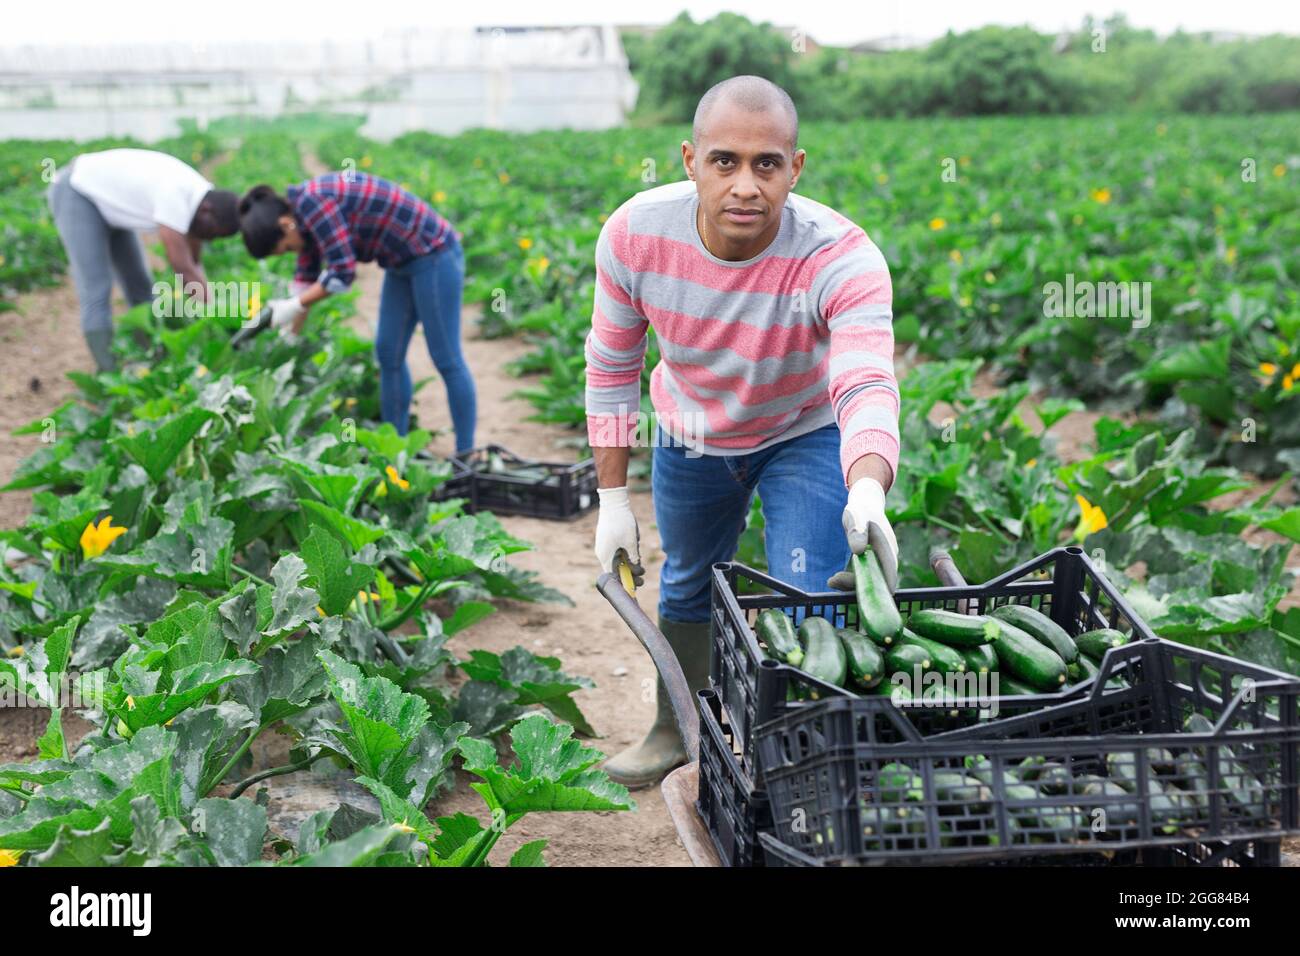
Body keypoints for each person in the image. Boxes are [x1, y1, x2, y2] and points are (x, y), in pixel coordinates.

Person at [586, 76, 901, 788]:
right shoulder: (636, 235)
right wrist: (611, 498)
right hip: (693, 428)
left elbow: (865, 380)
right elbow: (612, 365)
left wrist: (868, 486)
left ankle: (795, 758)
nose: (746, 185)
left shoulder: (841, 256)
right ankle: (676, 729)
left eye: (768, 164)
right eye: (726, 161)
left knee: (806, 596)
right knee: (689, 582)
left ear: (797, 168)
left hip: (806, 429)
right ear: (690, 160)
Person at [237, 173, 476, 452]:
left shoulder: (314, 203)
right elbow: (305, 281)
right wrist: (291, 337)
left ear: (284, 224)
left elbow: (342, 273)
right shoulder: (300, 221)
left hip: (434, 254)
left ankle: (465, 455)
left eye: (287, 247)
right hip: (399, 264)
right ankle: (393, 452)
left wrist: (293, 306)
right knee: (388, 353)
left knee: (446, 358)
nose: (292, 250)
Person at [47, 148, 240, 372]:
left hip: (112, 206)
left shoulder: (199, 202)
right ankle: (108, 374)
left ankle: (150, 358)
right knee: (96, 290)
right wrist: (217, 322)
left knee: (140, 285)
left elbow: (195, 264)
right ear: (207, 211)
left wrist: (207, 309)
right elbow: (183, 268)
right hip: (78, 193)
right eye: (214, 233)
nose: (212, 239)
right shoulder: (176, 193)